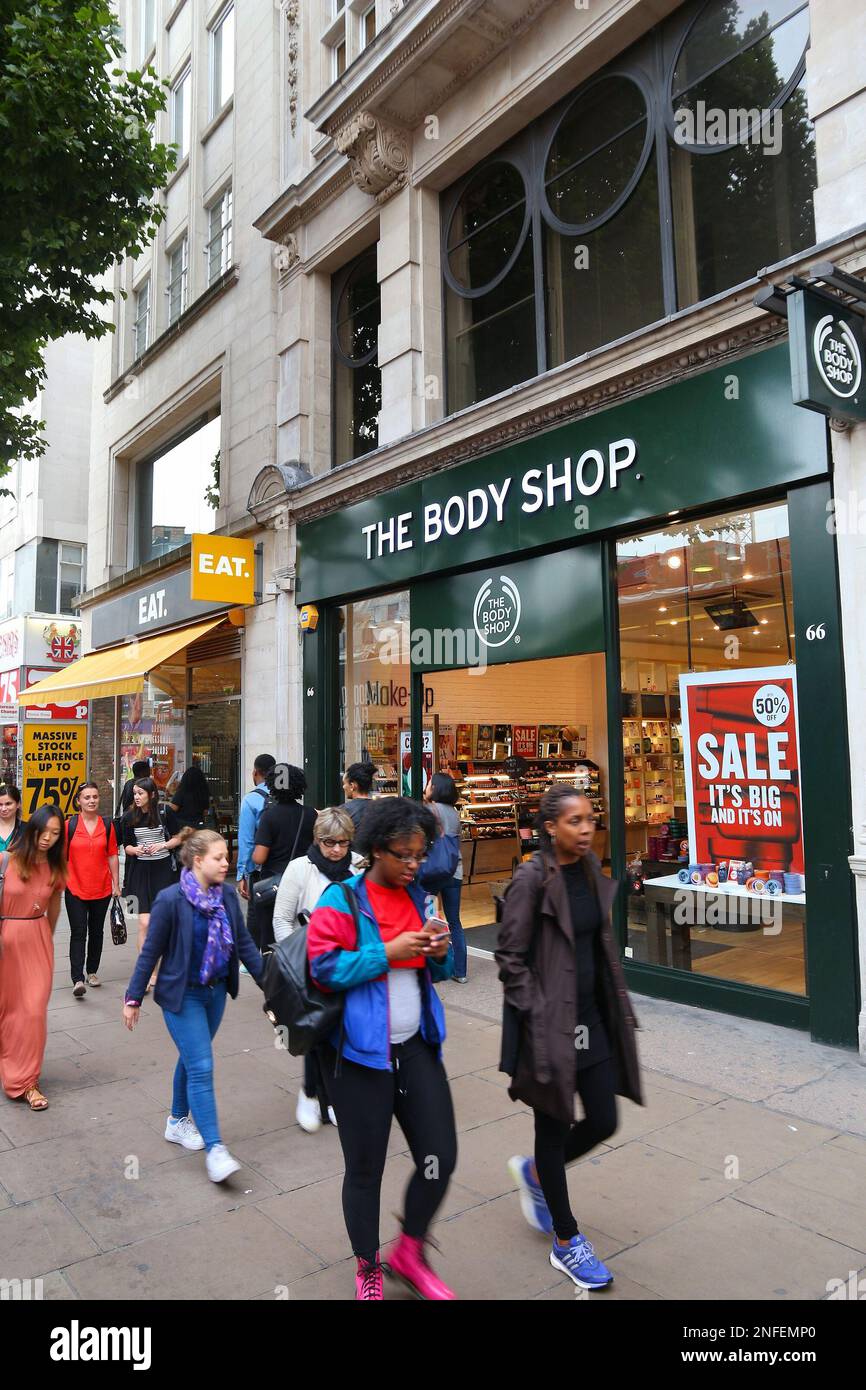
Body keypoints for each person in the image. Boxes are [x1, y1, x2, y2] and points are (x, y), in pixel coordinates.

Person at [308, 798, 457, 1301]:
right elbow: (323, 969)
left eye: (421, 853)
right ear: (375, 851)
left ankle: (409, 1252)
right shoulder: (341, 899)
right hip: (358, 1059)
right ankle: (368, 1266)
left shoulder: (419, 897)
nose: (415, 863)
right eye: (404, 854)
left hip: (416, 1049)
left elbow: (435, 968)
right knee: (366, 1169)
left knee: (440, 1155)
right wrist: (384, 954)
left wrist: (439, 953)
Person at [496, 785, 643, 1291]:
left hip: (591, 1022)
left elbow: (596, 944)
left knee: (603, 1119)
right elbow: (509, 957)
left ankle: (537, 1174)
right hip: (549, 1029)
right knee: (554, 1126)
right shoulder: (531, 878)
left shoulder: (587, 868)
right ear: (550, 826)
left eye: (590, 820)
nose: (585, 829)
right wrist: (538, 1013)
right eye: (575, 821)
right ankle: (566, 1240)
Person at [122, 827, 265, 1182]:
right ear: (198, 860)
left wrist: (272, 987)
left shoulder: (228, 897)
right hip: (180, 995)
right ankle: (216, 1149)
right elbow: (150, 952)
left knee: (192, 1057)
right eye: (219, 858)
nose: (225, 863)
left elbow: (245, 946)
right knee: (201, 1063)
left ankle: (176, 1120)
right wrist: (133, 997)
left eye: (226, 857)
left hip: (215, 992)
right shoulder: (171, 900)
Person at [273, 806, 364, 1133]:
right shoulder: (300, 869)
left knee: (342, 1033)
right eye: (329, 842)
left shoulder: (358, 867)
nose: (337, 849)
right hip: (310, 964)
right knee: (315, 1030)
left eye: (342, 842)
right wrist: (297, 959)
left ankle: (333, 1097)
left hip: (349, 962)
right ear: (317, 839)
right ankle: (311, 1093)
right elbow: (281, 919)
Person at [0, 804, 67, 1110]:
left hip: (38, 942)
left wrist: (46, 940)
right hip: (6, 942)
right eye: (44, 831)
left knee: (34, 1012)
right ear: (33, 828)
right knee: (9, 1011)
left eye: (56, 833)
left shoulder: (55, 868)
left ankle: (28, 1082)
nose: (49, 838)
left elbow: (54, 908)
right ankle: (10, 1060)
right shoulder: (7, 860)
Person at [120, 778, 183, 994]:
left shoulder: (165, 813)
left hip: (164, 872)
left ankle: (159, 969)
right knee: (144, 923)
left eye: (141, 793)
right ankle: (147, 971)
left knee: (160, 922)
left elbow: (179, 837)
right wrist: (135, 850)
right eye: (135, 793)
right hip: (139, 873)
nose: (137, 797)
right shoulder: (129, 817)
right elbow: (126, 846)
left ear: (152, 794)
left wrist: (162, 845)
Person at [250, 763, 316, 951]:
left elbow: (260, 857)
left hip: (274, 884)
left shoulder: (269, 816)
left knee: (271, 935)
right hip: (304, 881)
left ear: (272, 785)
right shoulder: (309, 814)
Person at [65, 782, 120, 997]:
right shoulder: (69, 825)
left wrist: (116, 883)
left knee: (97, 932)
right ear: (78, 801)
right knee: (78, 933)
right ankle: (77, 978)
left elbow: (113, 855)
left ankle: (92, 971)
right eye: (86, 797)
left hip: (102, 888)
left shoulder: (107, 825)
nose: (91, 800)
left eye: (94, 797)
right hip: (75, 887)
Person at [424, 772, 467, 983]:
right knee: (455, 921)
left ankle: (432, 966)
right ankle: (461, 971)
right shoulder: (454, 813)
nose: (426, 786)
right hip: (454, 871)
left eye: (429, 783)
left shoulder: (430, 810)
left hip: (432, 873)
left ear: (435, 788)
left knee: (430, 917)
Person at [235, 754, 276, 954]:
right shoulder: (284, 796)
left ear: (255, 772)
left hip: (260, 865)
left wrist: (244, 872)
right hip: (284, 864)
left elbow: (246, 840)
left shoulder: (251, 799)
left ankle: (252, 954)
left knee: (255, 909)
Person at [168, 762, 211, 830]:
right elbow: (205, 812)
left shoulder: (182, 792)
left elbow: (173, 808)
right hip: (198, 825)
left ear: (185, 778)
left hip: (183, 826)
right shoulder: (204, 793)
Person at [340, 761, 376, 831]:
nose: (343, 787)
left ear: (352, 786)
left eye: (344, 783)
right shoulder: (380, 809)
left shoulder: (342, 812)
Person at [0, 783, 24, 852]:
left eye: (8, 804)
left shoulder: (27, 829)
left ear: (18, 804)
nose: (3, 808)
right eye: (0, 804)